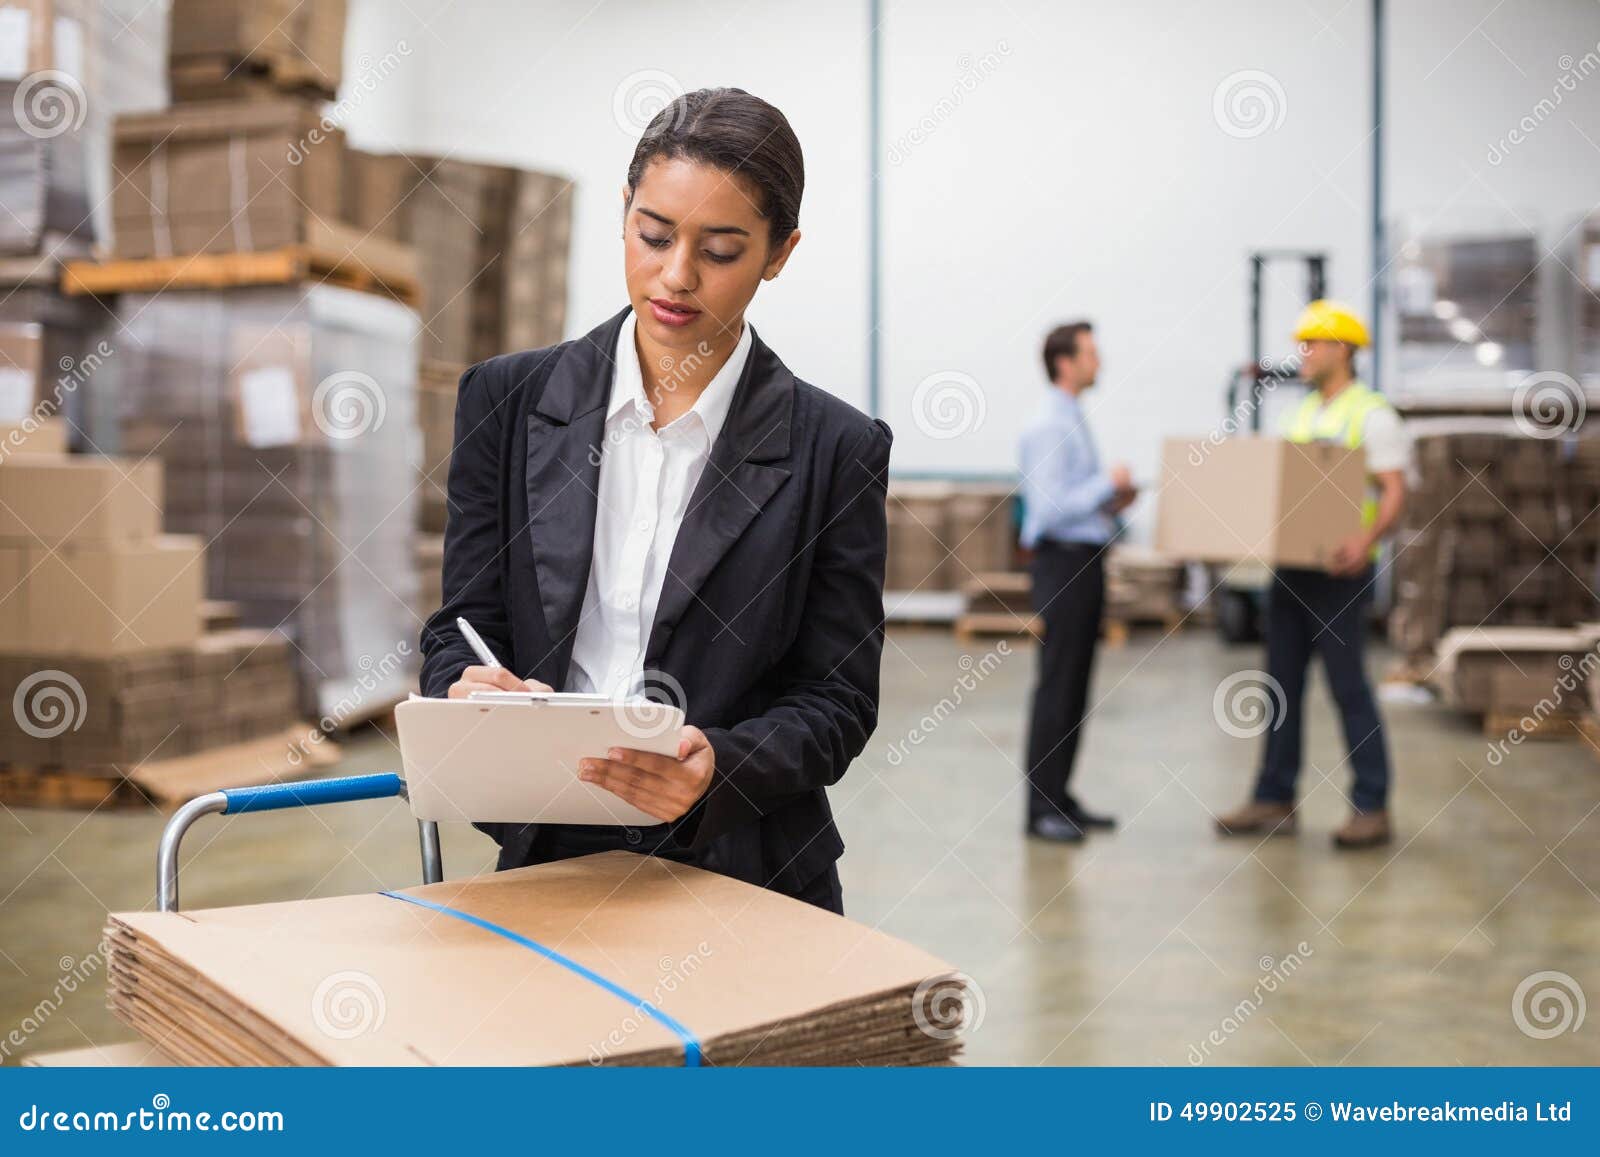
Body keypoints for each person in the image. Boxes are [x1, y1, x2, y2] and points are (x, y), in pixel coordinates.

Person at [419, 88, 893, 913]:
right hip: (549, 846)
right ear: (625, 213)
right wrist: (465, 681)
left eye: (722, 250)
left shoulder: (835, 447)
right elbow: (461, 622)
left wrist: (722, 766)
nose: (676, 276)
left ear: (779, 254)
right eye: (654, 235)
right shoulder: (507, 400)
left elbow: (839, 699)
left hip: (746, 864)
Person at [1214, 300, 1407, 849]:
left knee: (1347, 688)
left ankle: (1372, 805)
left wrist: (1364, 542)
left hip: (1341, 572)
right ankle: (1274, 799)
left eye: (1313, 343)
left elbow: (1395, 491)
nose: (1303, 353)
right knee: (1279, 686)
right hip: (1291, 571)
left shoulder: (1371, 414)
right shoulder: (1299, 415)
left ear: (1342, 350)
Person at [1018, 321, 1137, 843]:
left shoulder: (1071, 417)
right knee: (1058, 685)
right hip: (1063, 564)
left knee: (1076, 685)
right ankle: (1041, 808)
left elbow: (1072, 498)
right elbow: (1048, 509)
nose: (1099, 362)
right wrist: (1101, 487)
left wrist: (1110, 502)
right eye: (1090, 353)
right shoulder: (1049, 424)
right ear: (1064, 362)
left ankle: (1060, 797)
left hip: (1083, 560)